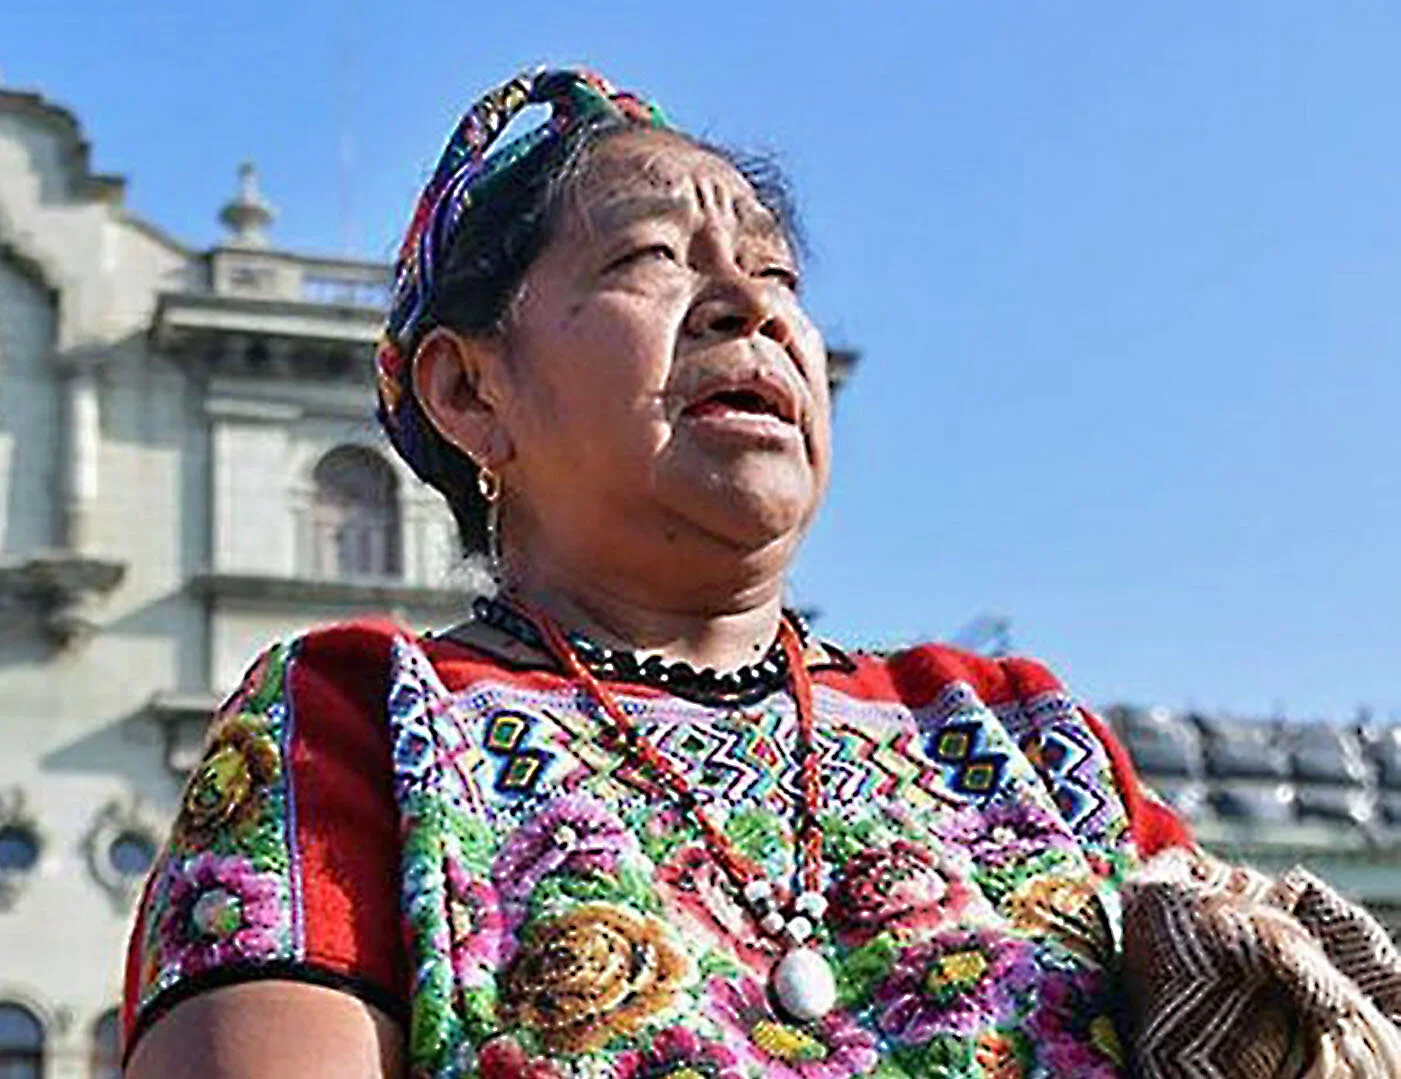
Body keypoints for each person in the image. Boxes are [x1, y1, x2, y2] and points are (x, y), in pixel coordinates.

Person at [120, 67, 1200, 1079]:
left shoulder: (1018, 731)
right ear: (470, 391)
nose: (751, 305)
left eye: (778, 273)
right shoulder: (353, 720)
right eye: (651, 257)